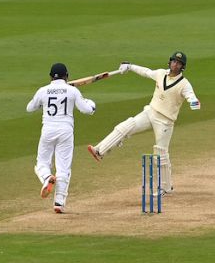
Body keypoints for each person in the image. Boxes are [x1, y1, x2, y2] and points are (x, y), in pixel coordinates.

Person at [87, 52, 201, 195]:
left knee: (160, 153)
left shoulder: (184, 84)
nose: (175, 64)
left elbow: (191, 97)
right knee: (126, 126)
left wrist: (194, 102)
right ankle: (100, 151)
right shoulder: (161, 73)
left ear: (182, 67)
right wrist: (130, 66)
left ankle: (165, 187)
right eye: (174, 61)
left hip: (165, 122)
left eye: (178, 63)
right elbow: (146, 72)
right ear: (170, 62)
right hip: (150, 112)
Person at [26, 63, 96, 214]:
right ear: (67, 76)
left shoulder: (43, 90)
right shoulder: (72, 91)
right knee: (63, 167)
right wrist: (91, 104)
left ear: (50, 77)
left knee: (41, 163)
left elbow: (30, 108)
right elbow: (87, 110)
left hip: (48, 130)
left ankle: (47, 177)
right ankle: (59, 202)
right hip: (65, 131)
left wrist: (42, 103)